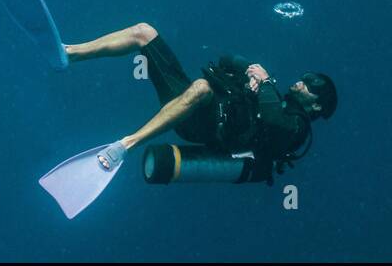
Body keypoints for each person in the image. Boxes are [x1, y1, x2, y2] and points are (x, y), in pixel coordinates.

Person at [65, 22, 337, 185]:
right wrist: (250, 72)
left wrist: (264, 84)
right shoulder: (271, 93)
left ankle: (126, 145)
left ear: (317, 107)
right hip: (190, 103)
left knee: (202, 87)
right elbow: (226, 58)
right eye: (307, 77)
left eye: (314, 85)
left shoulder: (298, 128)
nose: (305, 81)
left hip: (203, 127)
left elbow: (275, 123)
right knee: (144, 32)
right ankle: (70, 53)